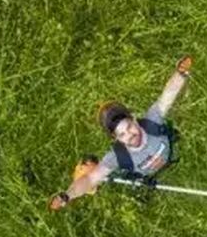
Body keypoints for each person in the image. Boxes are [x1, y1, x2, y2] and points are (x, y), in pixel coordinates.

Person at [49, 55, 193, 211]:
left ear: (134, 119)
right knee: (90, 173)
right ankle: (86, 165)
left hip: (173, 154)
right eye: (122, 134)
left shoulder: (152, 121)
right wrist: (67, 195)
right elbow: (91, 179)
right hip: (148, 177)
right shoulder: (117, 157)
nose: (130, 135)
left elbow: (167, 96)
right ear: (115, 138)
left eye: (129, 127)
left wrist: (180, 73)